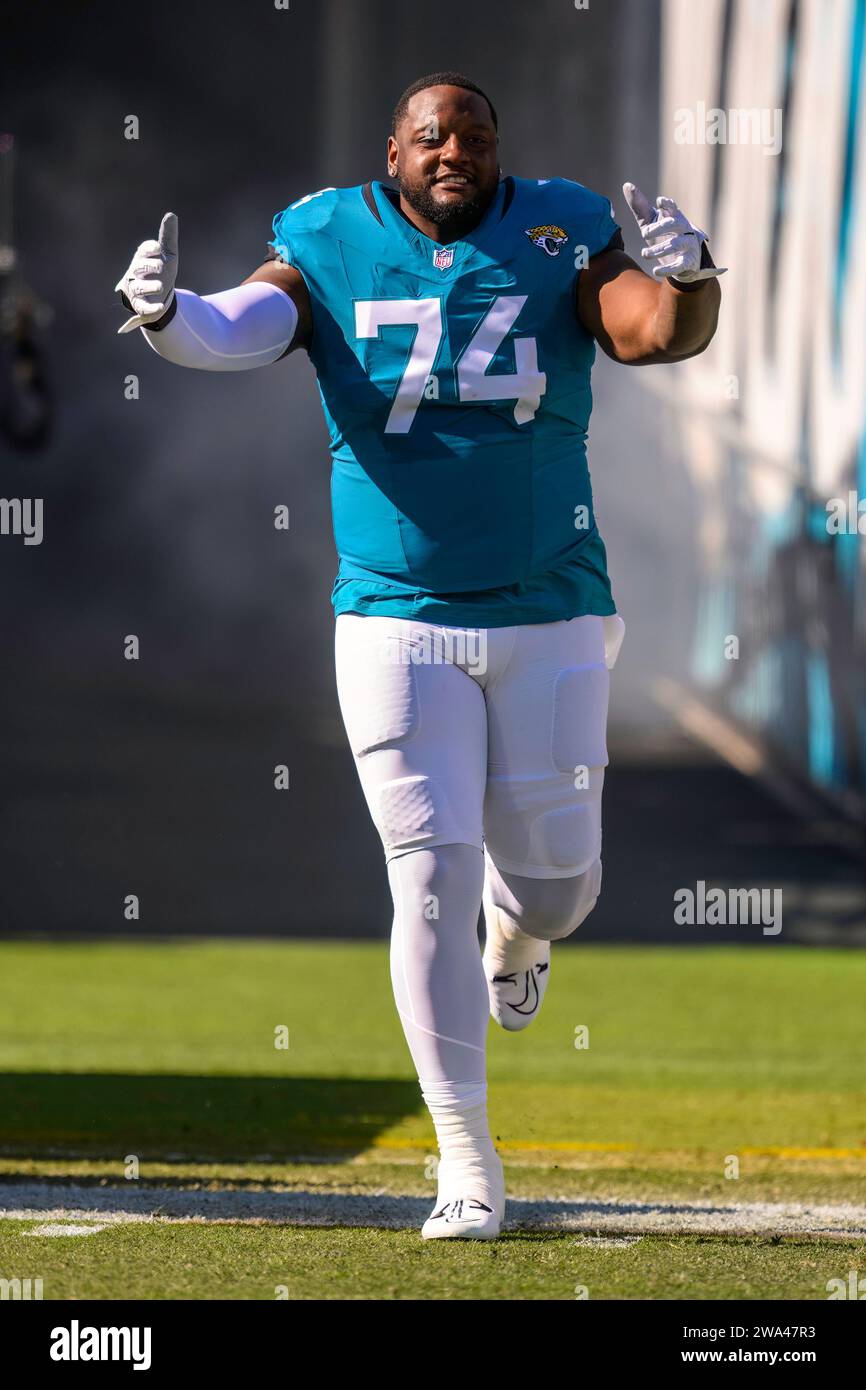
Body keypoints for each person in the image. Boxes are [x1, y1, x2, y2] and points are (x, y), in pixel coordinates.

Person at [114, 71, 723, 1240]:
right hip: (394, 615)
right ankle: (465, 1158)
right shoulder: (328, 236)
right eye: (431, 136)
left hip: (548, 606)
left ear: (498, 151)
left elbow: (651, 333)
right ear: (390, 153)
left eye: (474, 135)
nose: (454, 151)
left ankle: (522, 926)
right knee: (425, 875)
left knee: (559, 882)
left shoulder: (556, 228)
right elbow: (246, 326)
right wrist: (169, 316)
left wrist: (691, 283)